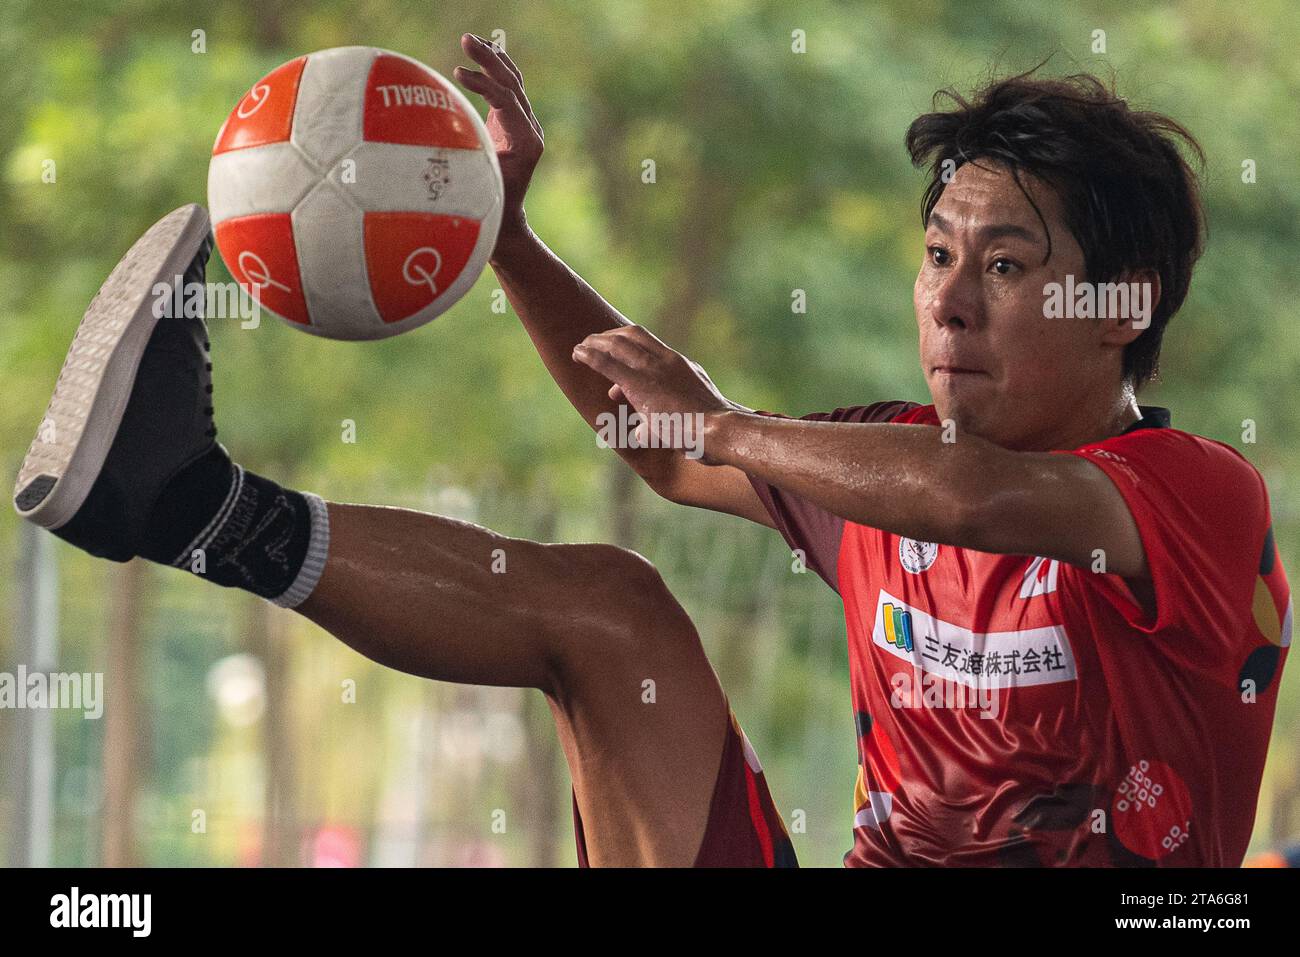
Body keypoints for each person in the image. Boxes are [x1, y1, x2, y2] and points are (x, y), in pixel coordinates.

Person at [14, 35, 1288, 868]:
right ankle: (192, 507)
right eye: (938, 254)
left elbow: (982, 497)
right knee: (610, 608)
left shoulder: (1192, 495)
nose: (948, 301)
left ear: (1119, 305)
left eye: (1006, 266)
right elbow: (664, 453)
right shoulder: (884, 462)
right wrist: (504, 237)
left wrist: (725, 422)